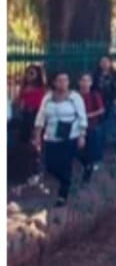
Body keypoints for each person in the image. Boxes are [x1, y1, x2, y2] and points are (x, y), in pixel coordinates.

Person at [33, 71, 87, 206]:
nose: (63, 83)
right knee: (50, 165)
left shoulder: (75, 97)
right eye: (60, 80)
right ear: (54, 82)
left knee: (65, 164)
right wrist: (37, 136)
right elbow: (41, 117)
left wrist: (82, 135)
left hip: (70, 135)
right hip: (51, 136)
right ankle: (70, 177)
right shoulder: (48, 98)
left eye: (65, 80)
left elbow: (82, 117)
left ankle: (64, 192)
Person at [12, 64, 47, 186]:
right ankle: (26, 171)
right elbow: (17, 102)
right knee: (26, 145)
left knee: (36, 144)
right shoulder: (24, 88)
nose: (29, 76)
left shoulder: (42, 89)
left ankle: (36, 171)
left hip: (37, 116)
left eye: (32, 73)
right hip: (26, 116)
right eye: (27, 73)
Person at [76, 73, 105, 185]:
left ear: (91, 83)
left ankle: (87, 173)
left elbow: (101, 109)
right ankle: (86, 165)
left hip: (92, 126)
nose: (85, 83)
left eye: (87, 80)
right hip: (77, 127)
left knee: (90, 151)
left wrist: (89, 115)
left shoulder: (94, 95)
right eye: (83, 80)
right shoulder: (75, 95)